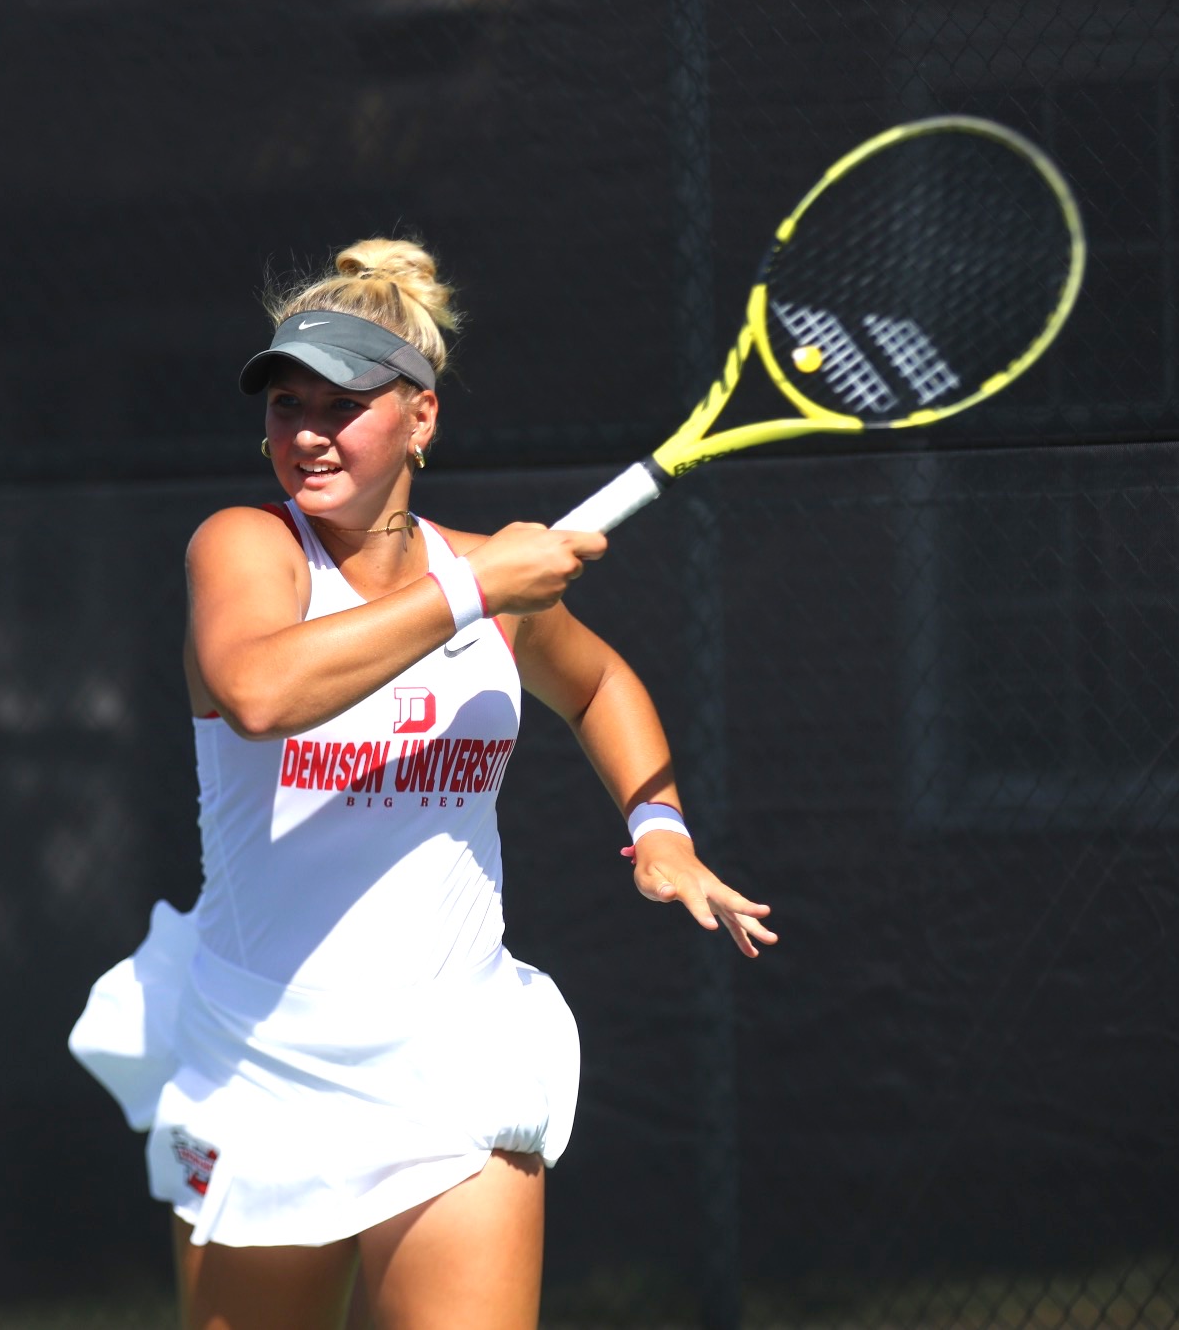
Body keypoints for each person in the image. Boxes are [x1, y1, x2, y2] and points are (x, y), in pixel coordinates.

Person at [70, 237, 775, 1330]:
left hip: (455, 1054)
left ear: (421, 417)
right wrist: (474, 589)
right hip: (258, 1065)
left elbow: (598, 688)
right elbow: (259, 691)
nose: (304, 433)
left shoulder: (490, 577)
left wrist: (658, 825)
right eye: (283, 404)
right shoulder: (246, 546)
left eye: (340, 403)